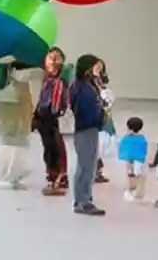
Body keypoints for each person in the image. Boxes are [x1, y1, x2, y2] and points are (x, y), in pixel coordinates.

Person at [69, 54, 106, 216]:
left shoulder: (86, 85)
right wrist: (101, 114)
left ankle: (84, 199)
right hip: (86, 129)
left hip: (87, 129)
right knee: (86, 166)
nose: (99, 70)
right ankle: (83, 201)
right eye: (96, 67)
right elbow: (86, 111)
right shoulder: (83, 88)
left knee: (87, 165)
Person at [0, 60, 37, 190]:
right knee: (10, 153)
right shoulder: (10, 88)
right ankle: (8, 177)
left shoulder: (23, 87)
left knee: (19, 154)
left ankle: (16, 177)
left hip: (20, 128)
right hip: (10, 130)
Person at [34, 46, 69, 196]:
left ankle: (58, 177)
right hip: (43, 117)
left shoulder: (60, 82)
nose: (53, 62)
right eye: (50, 58)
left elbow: (61, 102)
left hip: (53, 117)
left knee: (55, 147)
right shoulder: (43, 80)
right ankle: (53, 176)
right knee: (49, 148)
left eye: (56, 59)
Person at [118, 116, 148, 202]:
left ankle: (130, 189)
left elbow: (122, 147)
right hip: (139, 160)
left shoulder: (126, 138)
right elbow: (144, 148)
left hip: (129, 160)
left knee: (130, 174)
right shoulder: (142, 138)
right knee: (138, 175)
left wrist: (122, 156)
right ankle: (138, 191)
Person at [93, 59, 114, 184]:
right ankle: (95, 171)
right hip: (96, 118)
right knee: (96, 145)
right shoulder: (90, 83)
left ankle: (98, 171)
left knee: (102, 145)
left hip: (104, 118)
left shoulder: (101, 82)